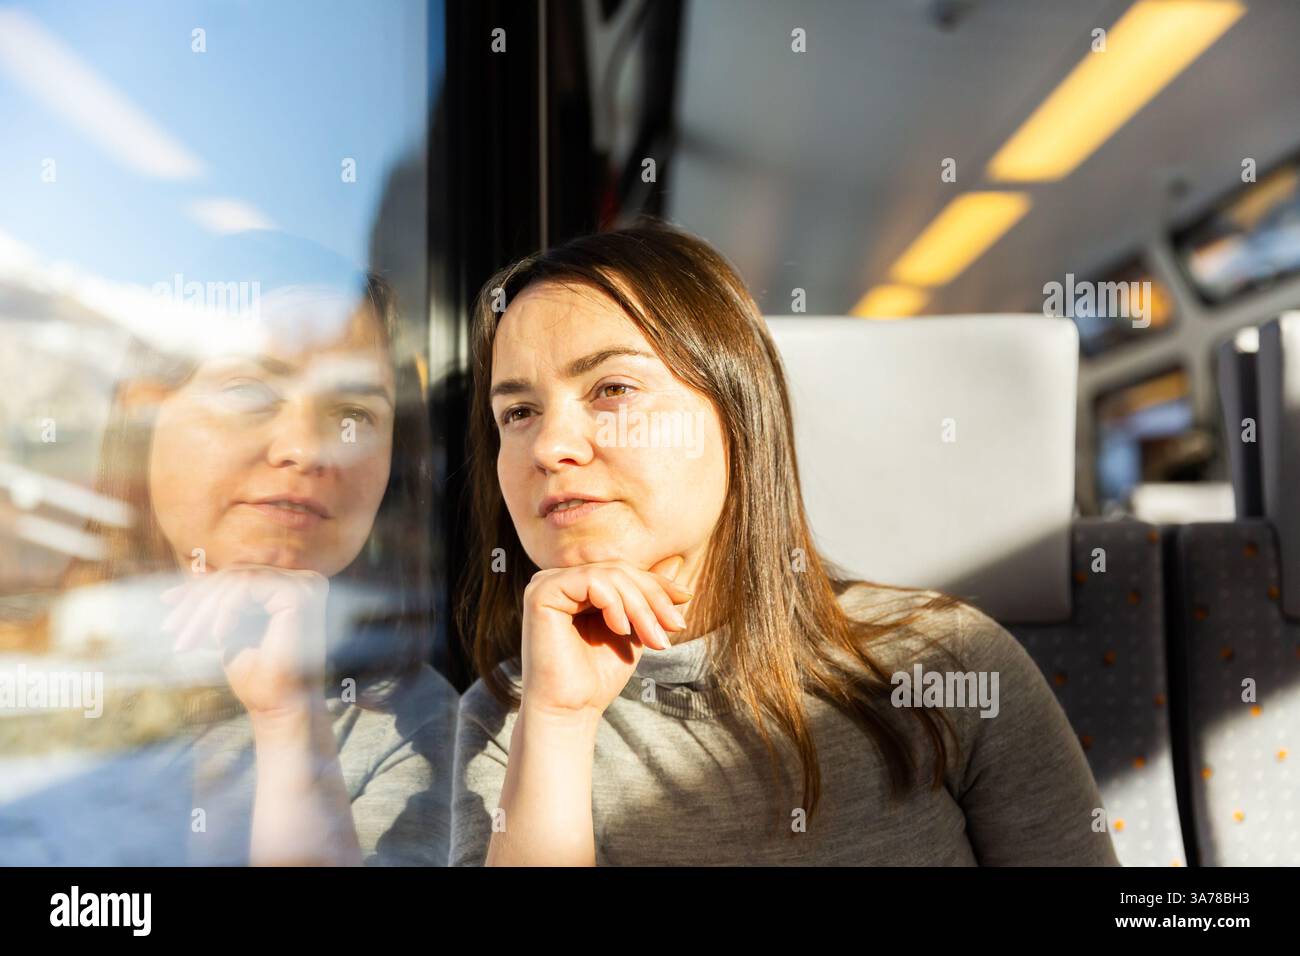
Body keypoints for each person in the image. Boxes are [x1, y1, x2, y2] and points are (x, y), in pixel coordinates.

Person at [451, 221, 1120, 866]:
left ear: (739, 415)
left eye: (614, 389)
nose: (550, 447)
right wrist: (561, 724)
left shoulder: (949, 663)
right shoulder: (512, 716)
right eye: (518, 412)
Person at [37, 231, 456, 866]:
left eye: (354, 415)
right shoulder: (44, 672)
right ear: (144, 419)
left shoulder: (418, 729)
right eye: (248, 393)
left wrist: (291, 727)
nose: (307, 448)